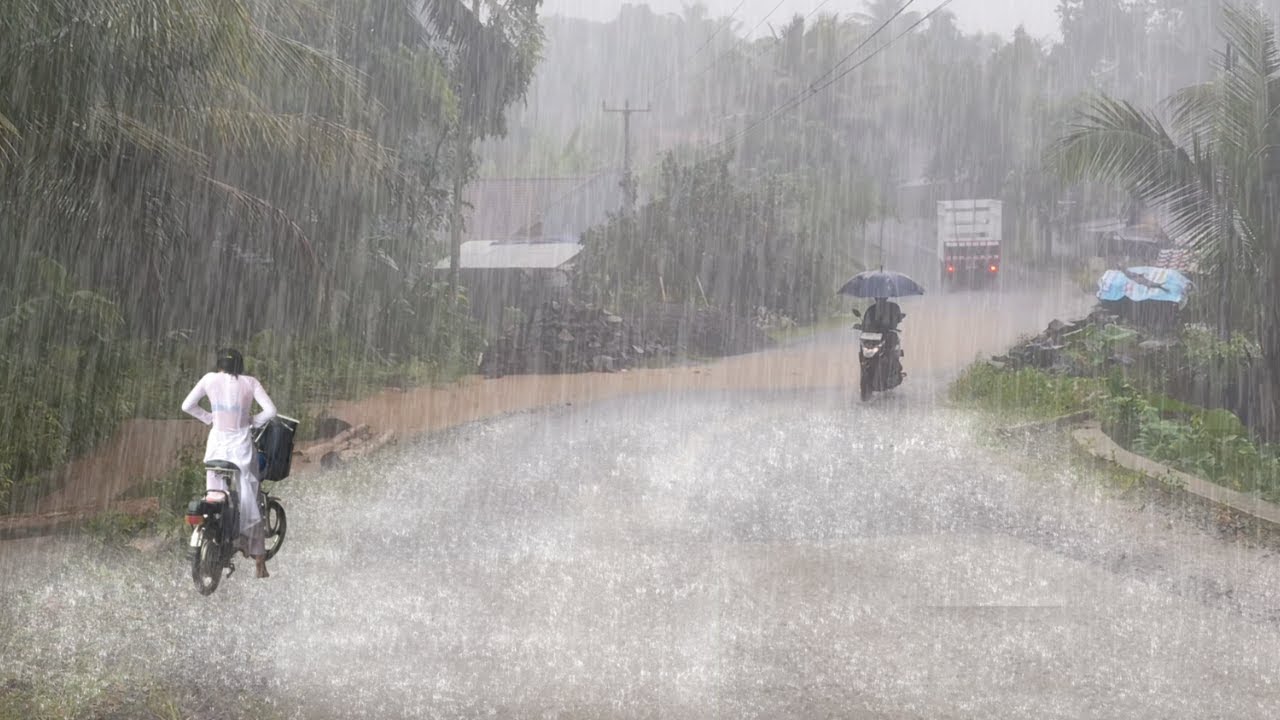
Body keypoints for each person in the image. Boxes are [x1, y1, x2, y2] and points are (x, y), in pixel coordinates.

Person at [181, 349, 277, 578]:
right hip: (241, 449)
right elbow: (271, 411)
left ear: (219, 366)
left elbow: (187, 406)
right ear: (240, 366)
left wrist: (210, 418)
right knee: (249, 500)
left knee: (215, 493)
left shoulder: (209, 379)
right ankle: (258, 561)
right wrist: (253, 421)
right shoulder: (250, 382)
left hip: (216, 447)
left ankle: (217, 537)